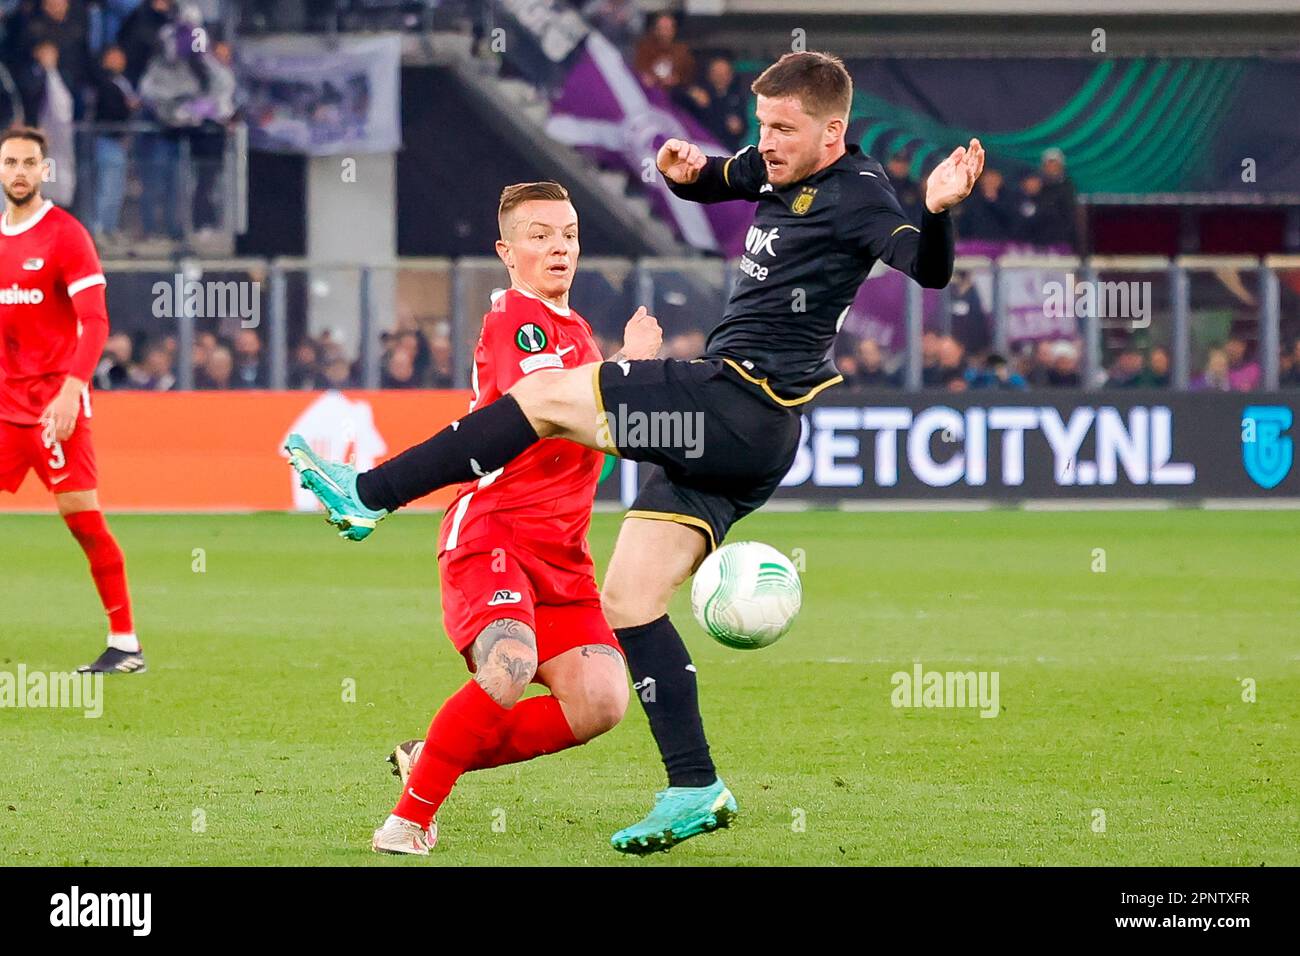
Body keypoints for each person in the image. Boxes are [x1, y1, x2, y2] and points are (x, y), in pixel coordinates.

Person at [287, 52, 981, 853]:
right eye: (762, 125)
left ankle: (368, 494)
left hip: (738, 398)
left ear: (834, 132)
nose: (768, 143)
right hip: (747, 444)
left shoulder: (860, 196)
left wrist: (936, 208)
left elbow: (926, 265)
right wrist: (682, 171)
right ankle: (696, 786)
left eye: (785, 129)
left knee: (544, 401)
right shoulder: (774, 161)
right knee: (627, 602)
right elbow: (716, 177)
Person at [290, 181, 662, 855]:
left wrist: (626, 381)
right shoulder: (514, 318)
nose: (559, 247)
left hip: (564, 555)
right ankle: (407, 820)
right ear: (507, 251)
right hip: (494, 534)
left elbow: (601, 444)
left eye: (570, 234)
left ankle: (428, 756)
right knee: (511, 664)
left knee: (603, 701)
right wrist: (632, 369)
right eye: (541, 234)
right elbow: (552, 408)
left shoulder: (578, 332)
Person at [0, 126, 142, 673]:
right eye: (10, 161)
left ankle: (125, 644)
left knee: (82, 518)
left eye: (28, 163)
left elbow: (95, 322)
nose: (18, 171)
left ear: (44, 170)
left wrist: (71, 390)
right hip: (6, 406)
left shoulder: (65, 235)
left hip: (55, 406)